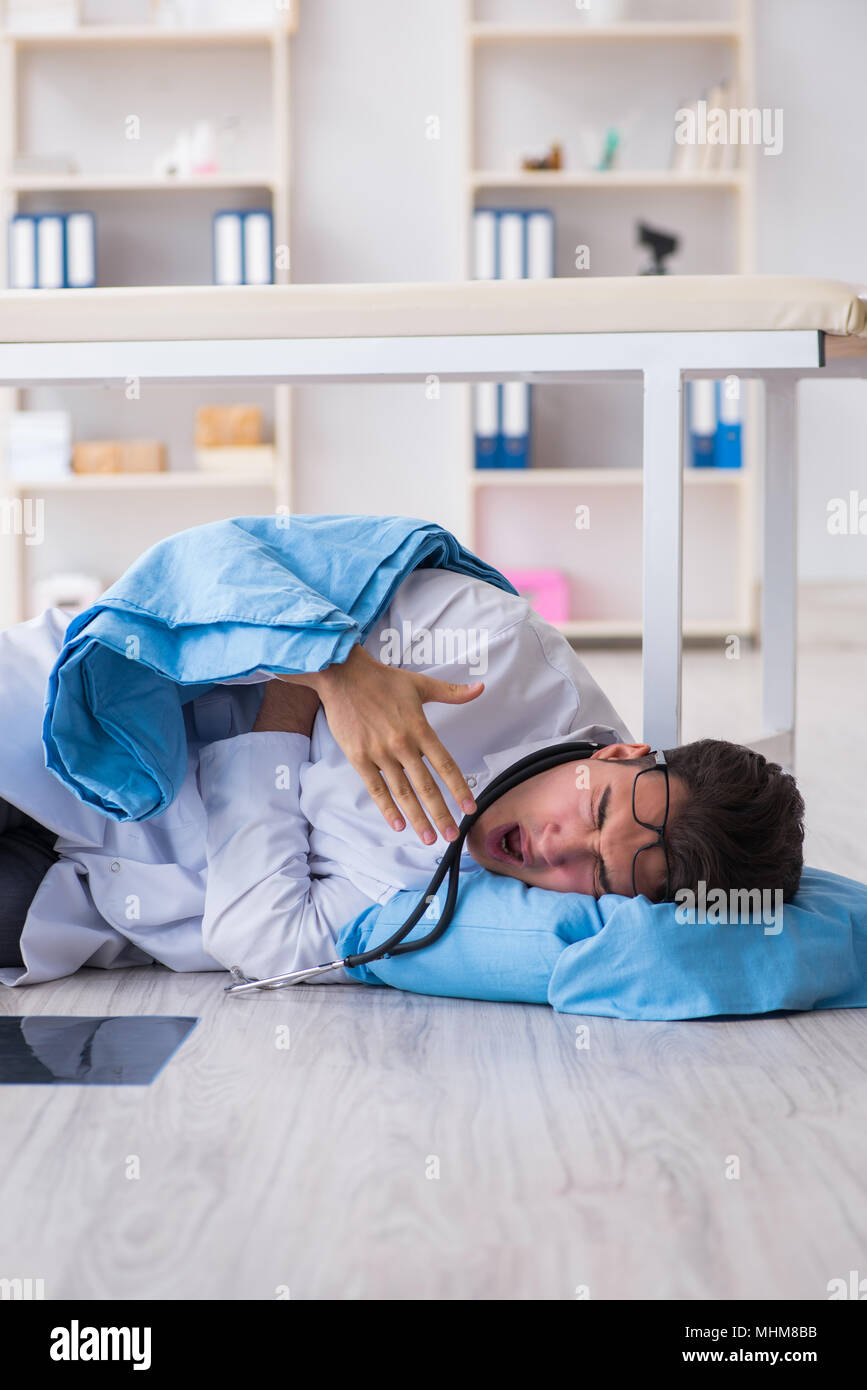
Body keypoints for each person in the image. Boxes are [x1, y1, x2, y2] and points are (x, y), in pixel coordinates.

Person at [0, 563, 804, 988]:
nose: (559, 850)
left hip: (71, 899)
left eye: (597, 873)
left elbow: (263, 939)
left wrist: (294, 692)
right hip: (56, 727)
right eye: (593, 811)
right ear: (620, 753)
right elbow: (236, 578)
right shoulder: (492, 644)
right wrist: (334, 668)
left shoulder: (470, 905)